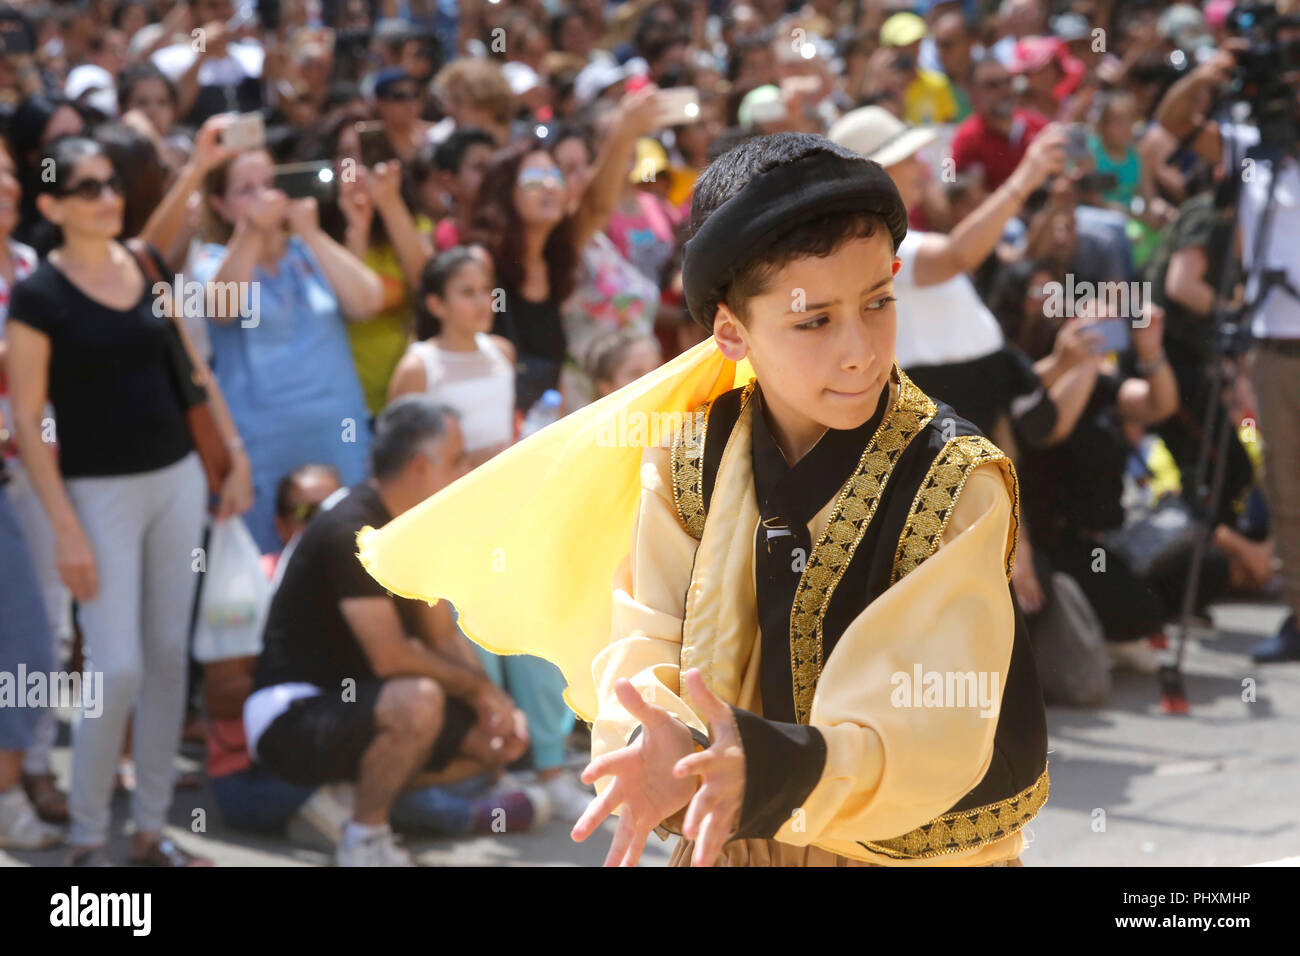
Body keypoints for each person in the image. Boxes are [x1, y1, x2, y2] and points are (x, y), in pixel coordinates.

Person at [358, 132, 1049, 867]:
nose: (860, 349)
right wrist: (648, 735)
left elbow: (934, 713)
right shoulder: (692, 456)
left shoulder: (954, 479)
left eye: (878, 302)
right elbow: (644, 635)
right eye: (813, 319)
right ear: (731, 331)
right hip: (730, 840)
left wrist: (772, 769)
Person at [4, 136, 253, 866]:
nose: (107, 196)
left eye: (111, 184)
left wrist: (232, 457)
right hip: (93, 493)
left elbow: (194, 369)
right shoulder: (37, 294)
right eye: (87, 188)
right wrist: (65, 528)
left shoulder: (145, 265)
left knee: (169, 657)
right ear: (51, 205)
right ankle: (87, 837)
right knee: (115, 667)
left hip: (175, 480)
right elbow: (25, 418)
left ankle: (150, 831)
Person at [244, 397, 534, 866]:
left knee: (498, 743)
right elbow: (392, 657)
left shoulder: (418, 529)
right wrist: (480, 689)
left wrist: (496, 706)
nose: (466, 470)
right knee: (418, 699)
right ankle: (363, 837)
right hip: (288, 713)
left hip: (368, 704)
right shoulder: (350, 529)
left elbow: (443, 638)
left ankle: (342, 800)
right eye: (458, 459)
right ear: (421, 466)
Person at [192, 146, 384, 553]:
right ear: (221, 206)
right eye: (246, 190)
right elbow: (222, 308)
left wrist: (311, 232)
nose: (264, 198)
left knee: (354, 558)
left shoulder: (310, 252)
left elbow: (368, 301)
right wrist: (250, 232)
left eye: (270, 185)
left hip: (338, 440)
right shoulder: (212, 261)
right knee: (270, 564)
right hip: (264, 449)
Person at [388, 247, 516, 468]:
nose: (482, 301)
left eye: (486, 290)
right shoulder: (418, 368)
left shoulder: (503, 352)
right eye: (467, 292)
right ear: (436, 304)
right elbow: (397, 455)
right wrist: (470, 463)